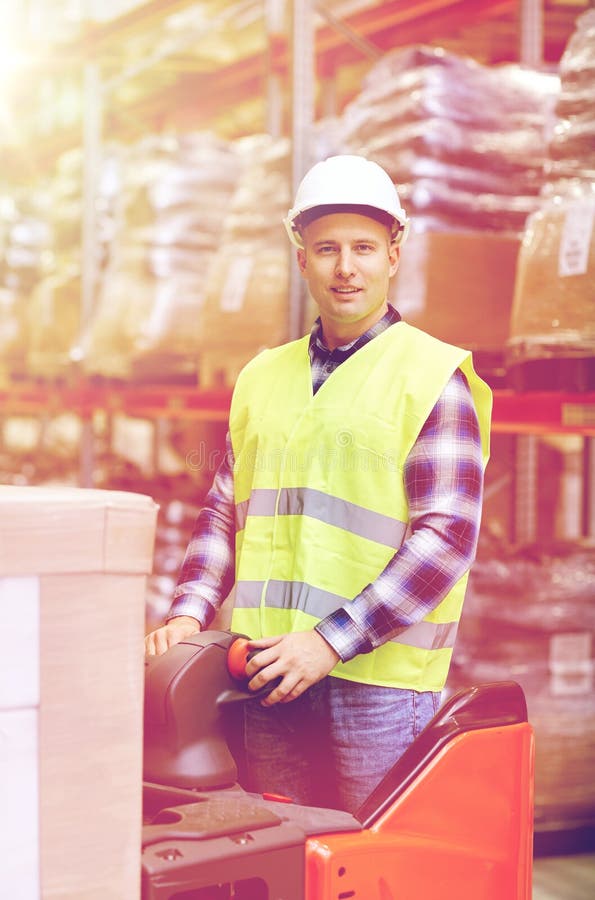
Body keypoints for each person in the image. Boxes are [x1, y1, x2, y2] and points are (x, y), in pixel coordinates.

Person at [145, 154, 492, 814]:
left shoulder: (428, 376)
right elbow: (225, 511)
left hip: (376, 683)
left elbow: (444, 539)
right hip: (266, 671)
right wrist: (189, 611)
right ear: (300, 259)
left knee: (369, 859)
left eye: (363, 248)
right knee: (284, 847)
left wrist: (330, 640)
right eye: (326, 248)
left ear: (394, 253)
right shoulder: (261, 376)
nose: (345, 267)